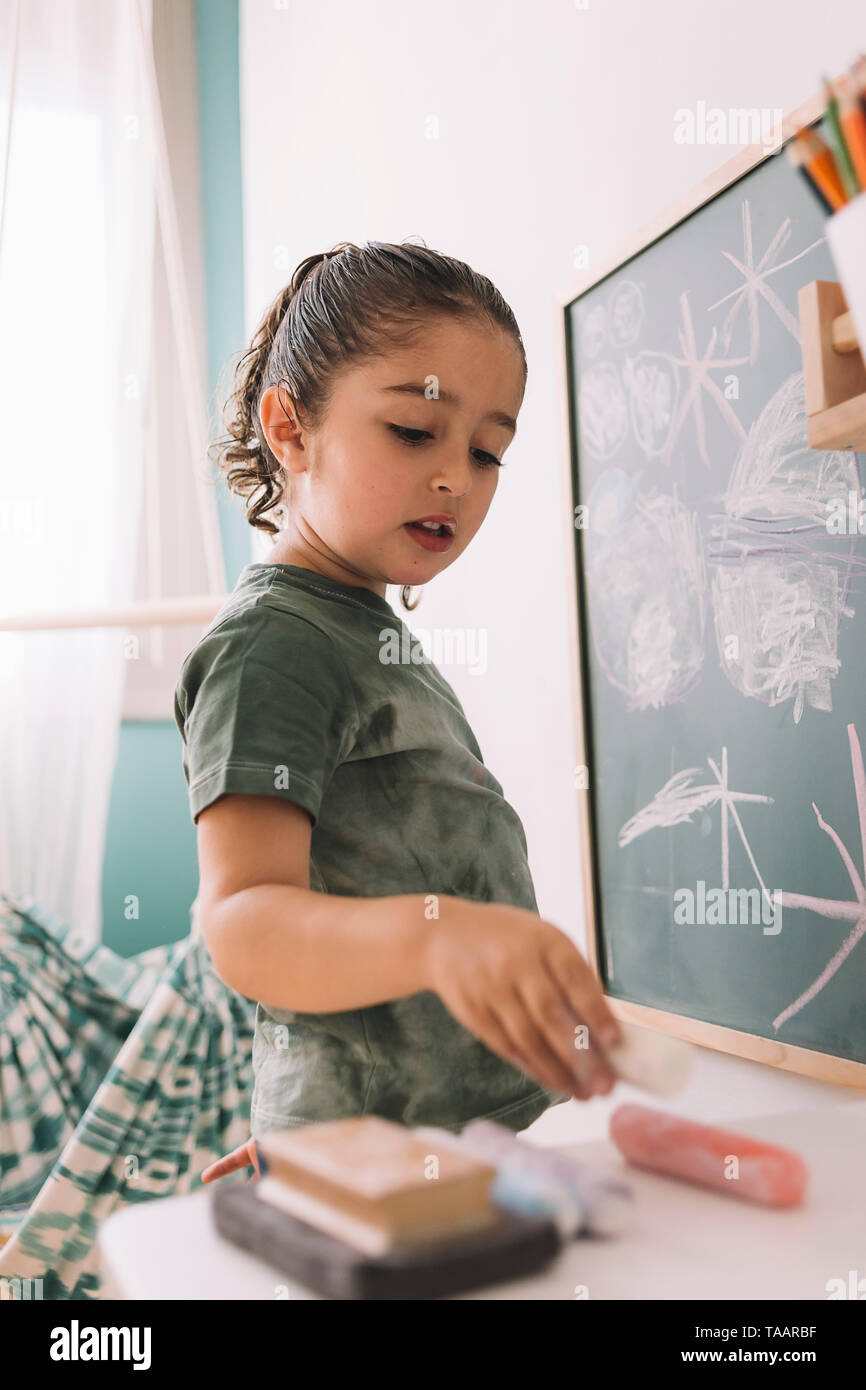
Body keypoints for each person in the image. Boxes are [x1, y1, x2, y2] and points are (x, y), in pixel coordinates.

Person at [172, 240, 622, 1185]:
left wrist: (326, 1107)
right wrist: (439, 931)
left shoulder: (361, 630)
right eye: (416, 432)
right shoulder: (276, 646)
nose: (457, 475)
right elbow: (244, 921)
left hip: (428, 1146)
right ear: (289, 430)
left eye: (488, 450)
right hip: (385, 1167)